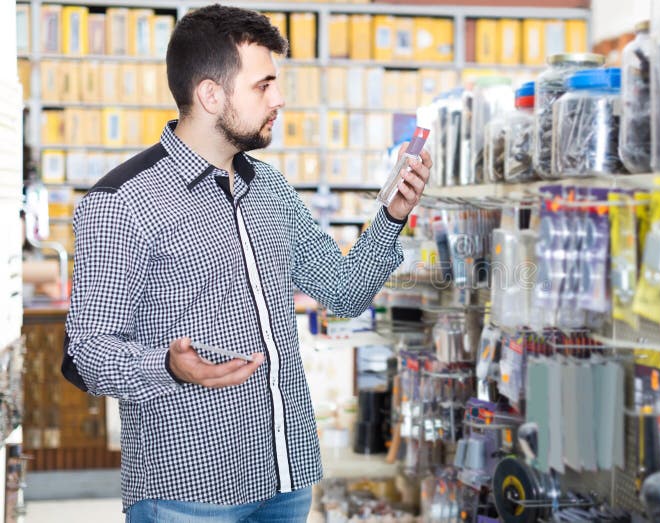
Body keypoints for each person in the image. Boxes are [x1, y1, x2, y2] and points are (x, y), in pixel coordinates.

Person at [61, 4, 430, 522]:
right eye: (263, 85)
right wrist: (170, 367)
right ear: (211, 95)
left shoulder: (270, 189)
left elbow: (344, 293)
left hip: (285, 475)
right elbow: (85, 355)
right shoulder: (121, 202)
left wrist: (392, 216)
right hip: (185, 491)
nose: (279, 99)